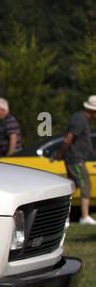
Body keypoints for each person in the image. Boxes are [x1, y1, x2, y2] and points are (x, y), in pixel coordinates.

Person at [56, 95, 96, 224]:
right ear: (92, 110)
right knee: (85, 184)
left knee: (71, 187)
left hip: (76, 158)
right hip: (75, 159)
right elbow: (69, 138)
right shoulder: (80, 119)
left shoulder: (82, 119)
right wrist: (60, 153)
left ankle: (62, 216)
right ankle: (84, 217)